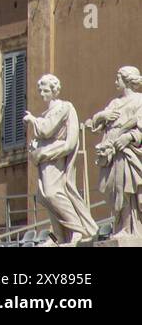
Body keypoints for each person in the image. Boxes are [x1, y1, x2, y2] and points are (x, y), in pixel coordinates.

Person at [23, 75, 96, 245]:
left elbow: (47, 130)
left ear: (54, 90)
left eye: (46, 90)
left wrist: (33, 120)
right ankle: (59, 236)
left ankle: (78, 230)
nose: (42, 93)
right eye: (40, 90)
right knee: (44, 196)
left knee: (53, 193)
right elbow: (42, 135)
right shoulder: (44, 113)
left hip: (55, 157)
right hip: (44, 159)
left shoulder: (64, 107)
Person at [85, 66, 142, 240]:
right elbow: (94, 125)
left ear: (127, 81)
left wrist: (129, 137)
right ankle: (120, 226)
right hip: (111, 152)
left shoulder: (140, 100)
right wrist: (103, 115)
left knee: (126, 188)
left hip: (127, 151)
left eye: (118, 78)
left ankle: (129, 227)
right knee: (115, 191)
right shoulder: (114, 103)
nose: (115, 82)